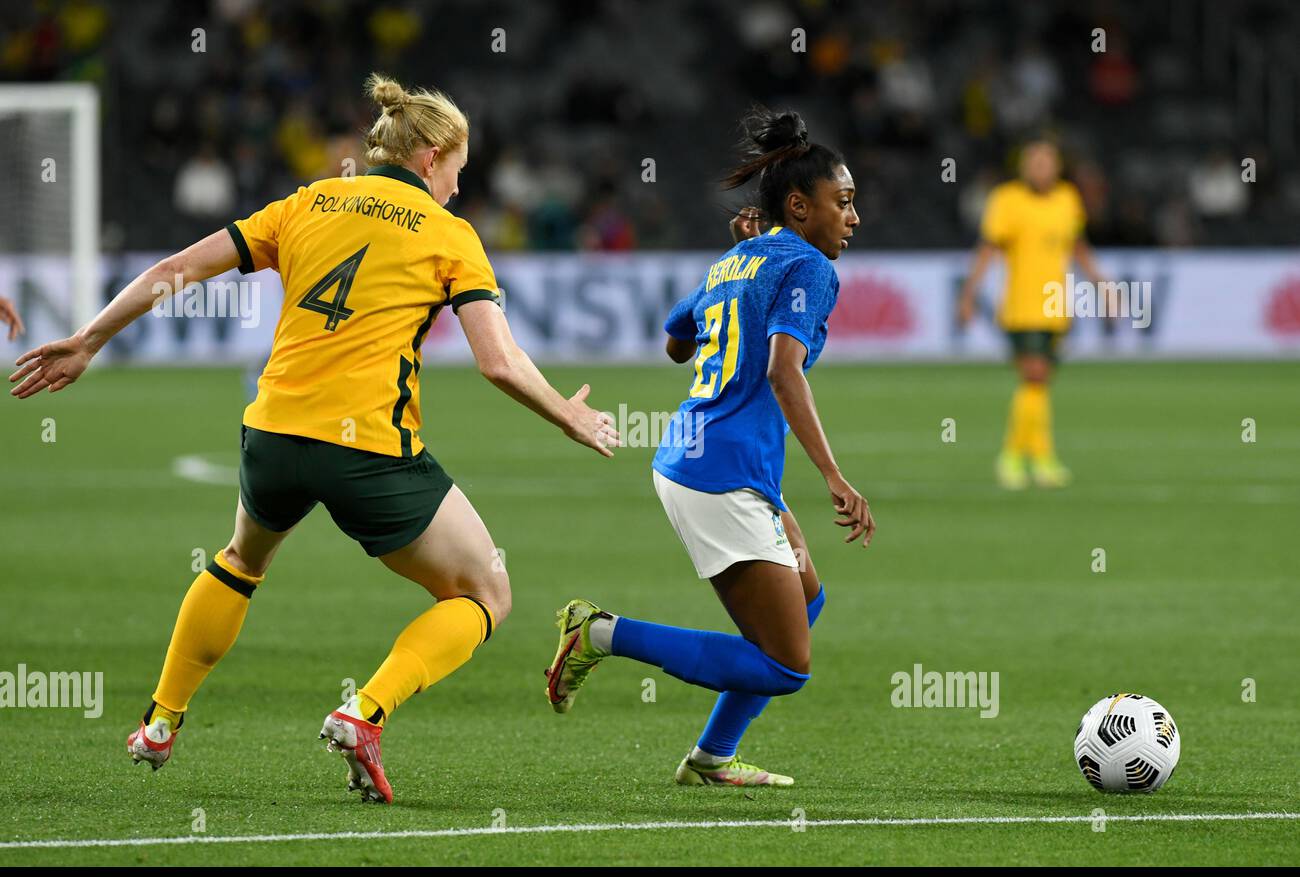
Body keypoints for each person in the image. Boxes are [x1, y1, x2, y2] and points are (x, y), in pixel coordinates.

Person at [9, 74, 618, 804]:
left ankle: (161, 721)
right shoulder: (450, 235)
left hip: (272, 437)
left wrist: (86, 340)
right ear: (429, 158)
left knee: (239, 561)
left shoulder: (306, 202)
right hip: (367, 452)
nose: (461, 185)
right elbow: (498, 360)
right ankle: (365, 712)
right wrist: (569, 415)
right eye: (459, 167)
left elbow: (175, 271)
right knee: (487, 590)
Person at [543, 107, 874, 786]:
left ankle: (712, 758)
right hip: (719, 473)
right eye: (842, 203)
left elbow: (676, 344)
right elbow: (783, 372)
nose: (853, 217)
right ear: (798, 206)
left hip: (709, 457)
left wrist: (740, 263)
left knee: (807, 601)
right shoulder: (809, 267)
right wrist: (836, 476)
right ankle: (599, 634)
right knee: (785, 665)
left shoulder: (739, 258)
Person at [959, 138, 1105, 489]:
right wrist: (969, 294)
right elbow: (988, 249)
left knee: (1039, 383)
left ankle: (1034, 457)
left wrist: (1103, 286)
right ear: (1024, 166)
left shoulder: (1068, 199)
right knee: (1035, 376)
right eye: (1034, 161)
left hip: (1056, 307)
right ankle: (1021, 456)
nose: (1040, 167)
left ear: (1057, 166)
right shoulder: (1007, 200)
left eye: (1046, 161)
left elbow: (1077, 247)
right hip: (1022, 307)